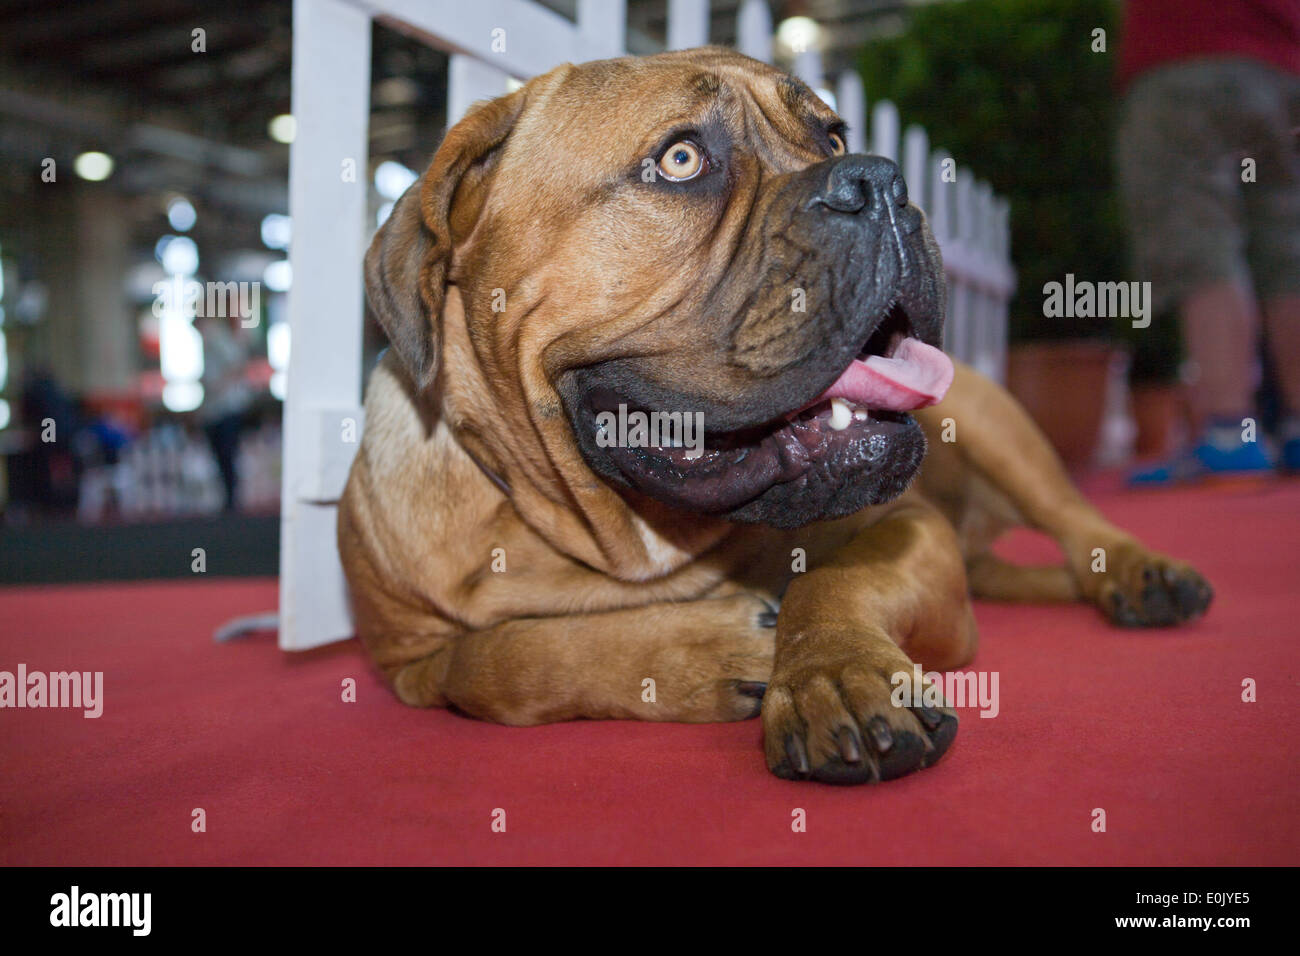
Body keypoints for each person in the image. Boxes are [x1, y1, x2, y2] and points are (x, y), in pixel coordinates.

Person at [1116, 0, 1300, 483]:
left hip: (1188, 47)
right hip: (1285, 63)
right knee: (1289, 247)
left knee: (1197, 239)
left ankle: (1228, 433)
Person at [197, 315, 254, 510]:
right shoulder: (208, 341)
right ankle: (228, 497)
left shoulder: (217, 337)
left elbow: (237, 363)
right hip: (214, 410)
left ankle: (232, 499)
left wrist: (219, 385)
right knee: (220, 455)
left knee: (226, 454)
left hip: (226, 409)